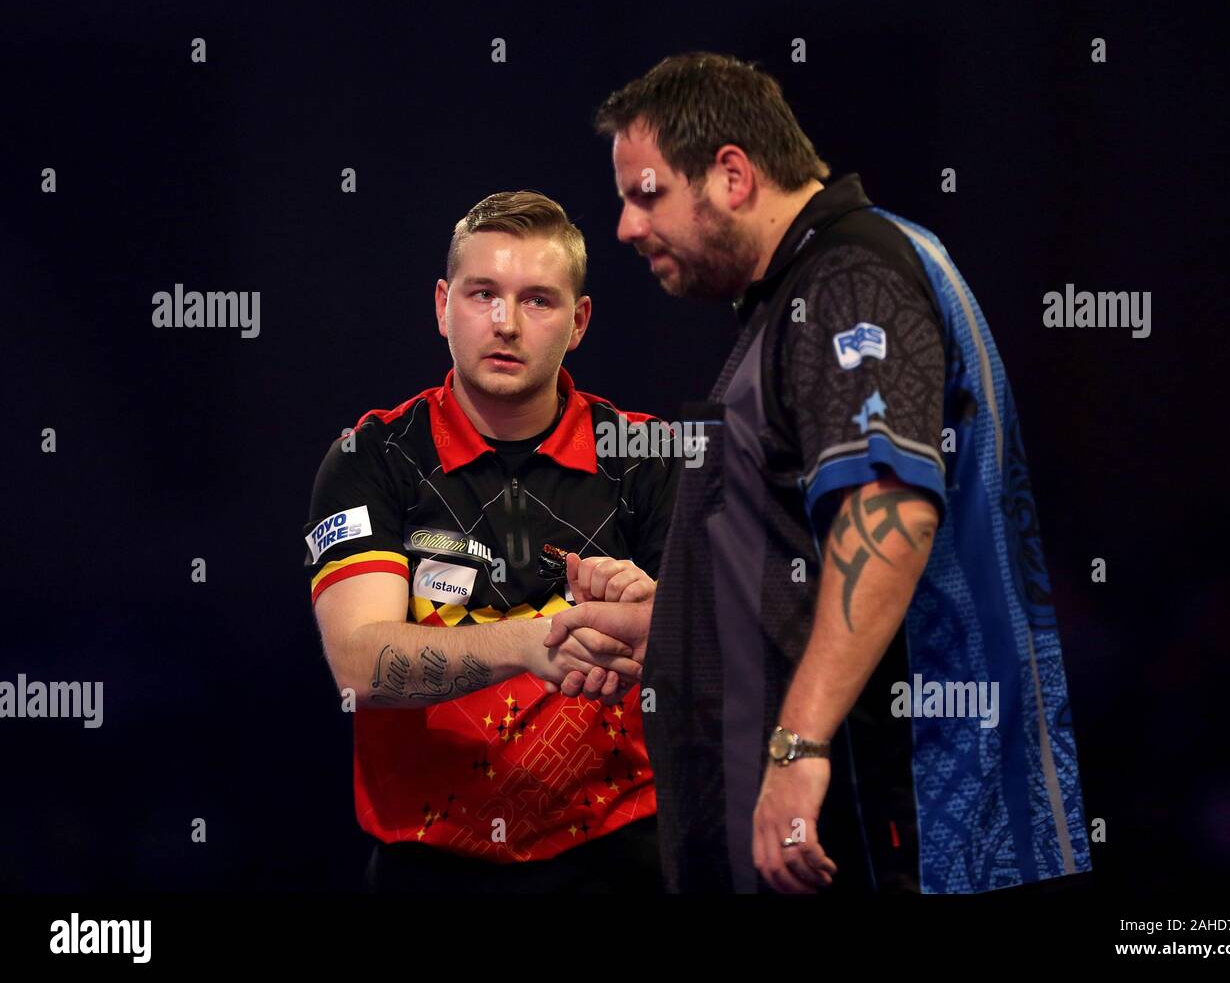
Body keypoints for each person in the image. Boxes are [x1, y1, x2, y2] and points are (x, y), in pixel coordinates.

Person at [545, 52, 1091, 894]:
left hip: (893, 830)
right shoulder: (819, 284)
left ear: (731, 175)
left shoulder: (849, 280)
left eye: (646, 193)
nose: (623, 226)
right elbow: (807, 554)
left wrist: (797, 749)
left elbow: (891, 516)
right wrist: (680, 625)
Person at [301, 190, 677, 893]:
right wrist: (532, 644)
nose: (506, 324)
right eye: (483, 294)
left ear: (579, 321)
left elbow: (727, 661)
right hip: (431, 869)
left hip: (621, 857)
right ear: (443, 304)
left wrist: (658, 616)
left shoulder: (649, 454)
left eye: (538, 300)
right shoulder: (372, 457)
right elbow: (357, 663)